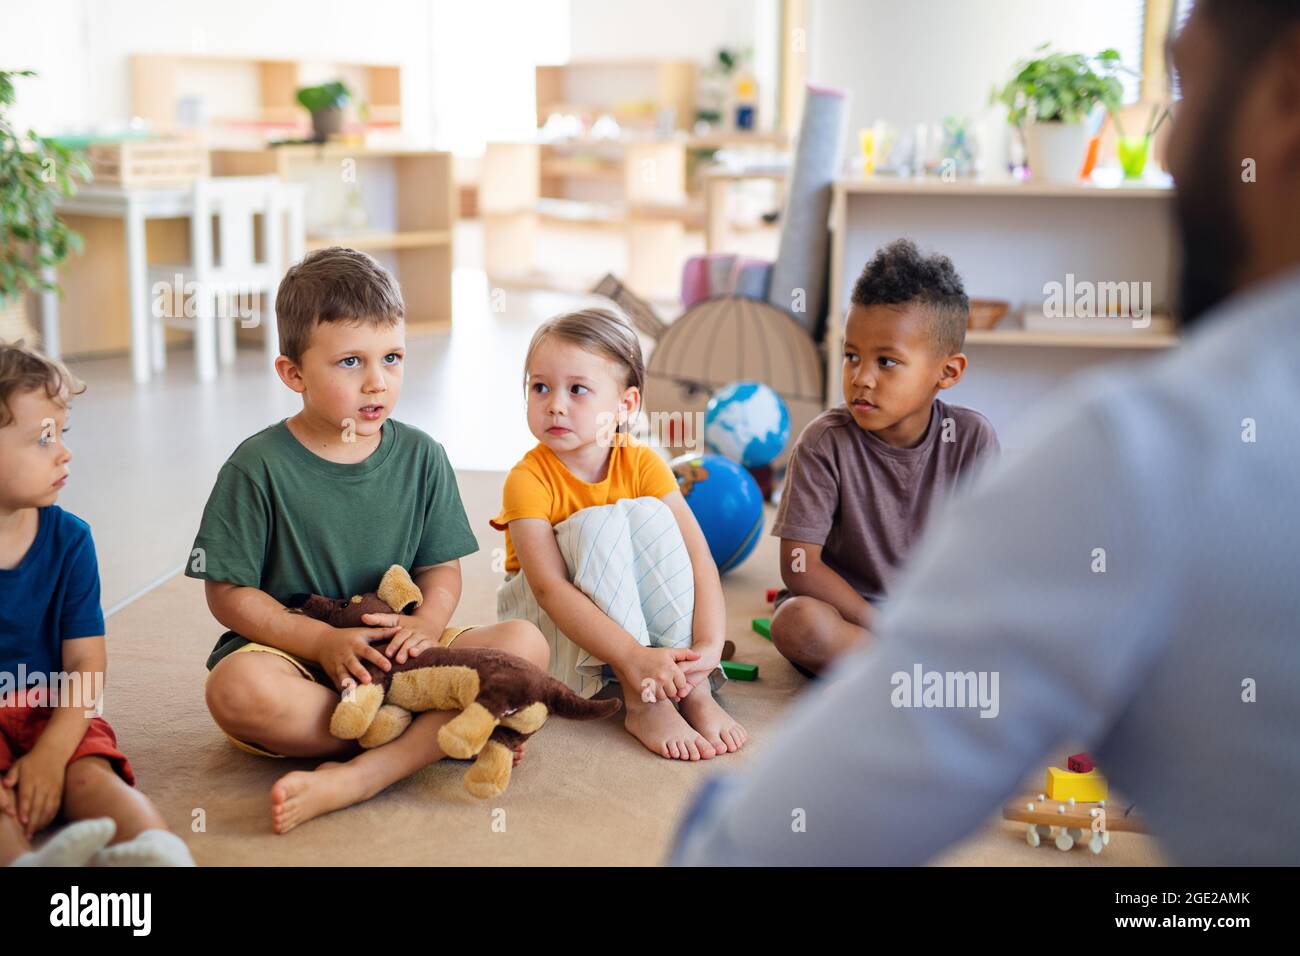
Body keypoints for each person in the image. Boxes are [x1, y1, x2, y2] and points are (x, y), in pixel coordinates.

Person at [672, 0, 1300, 865]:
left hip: (916, 633)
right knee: (803, 625)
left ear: (1285, 96)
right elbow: (804, 574)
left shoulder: (1138, 454)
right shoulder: (832, 442)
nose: (1163, 145)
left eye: (1187, 86)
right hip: (874, 620)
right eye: (852, 356)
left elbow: (754, 853)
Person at [191, 247, 548, 833]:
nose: (378, 381)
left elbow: (441, 573)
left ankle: (365, 772)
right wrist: (321, 642)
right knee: (236, 691)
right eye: (351, 362)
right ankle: (444, 731)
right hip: (301, 657)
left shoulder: (423, 456)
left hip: (409, 648)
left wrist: (428, 626)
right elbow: (228, 594)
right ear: (293, 374)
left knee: (525, 645)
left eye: (393, 357)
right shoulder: (255, 467)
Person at [493, 308, 747, 760]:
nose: (555, 403)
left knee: (652, 514)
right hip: (556, 629)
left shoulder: (644, 461)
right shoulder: (526, 479)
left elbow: (697, 555)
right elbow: (549, 590)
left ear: (625, 406)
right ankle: (643, 696)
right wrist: (631, 659)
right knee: (599, 521)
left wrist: (708, 644)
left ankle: (688, 685)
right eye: (540, 387)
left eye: (578, 390)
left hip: (629, 631)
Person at [1, 344, 193, 866]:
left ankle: (156, 851)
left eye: (63, 433)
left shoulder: (70, 541)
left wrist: (54, 751)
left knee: (92, 779)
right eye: (43, 439)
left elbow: (86, 665)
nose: (64, 452)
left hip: (53, 710)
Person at [770, 239, 998, 676]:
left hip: (935, 616)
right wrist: (884, 625)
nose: (861, 378)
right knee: (797, 625)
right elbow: (799, 566)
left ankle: (896, 666)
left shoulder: (972, 439)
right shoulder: (823, 442)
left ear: (947, 372)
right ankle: (903, 665)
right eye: (851, 356)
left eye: (887, 362)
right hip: (849, 614)